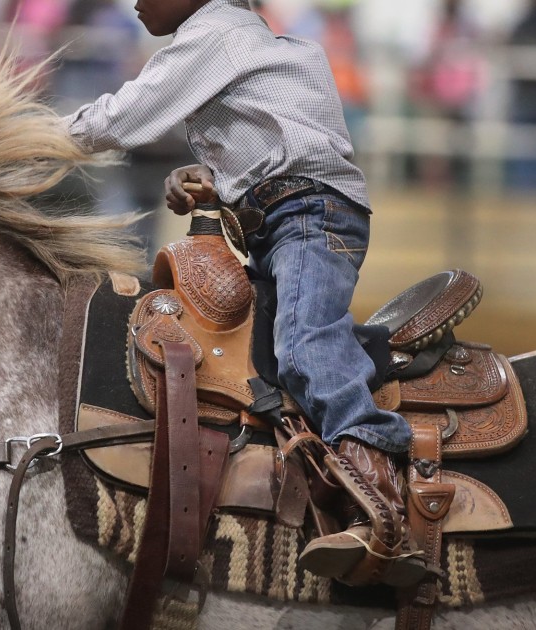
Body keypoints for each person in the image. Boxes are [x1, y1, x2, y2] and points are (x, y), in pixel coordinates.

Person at [63, 0, 425, 585]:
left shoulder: (215, 33)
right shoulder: (238, 43)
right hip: (292, 213)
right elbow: (254, 150)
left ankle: (379, 501)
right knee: (266, 345)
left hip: (307, 213)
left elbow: (118, 119)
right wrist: (200, 180)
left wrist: (22, 136)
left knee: (305, 343)